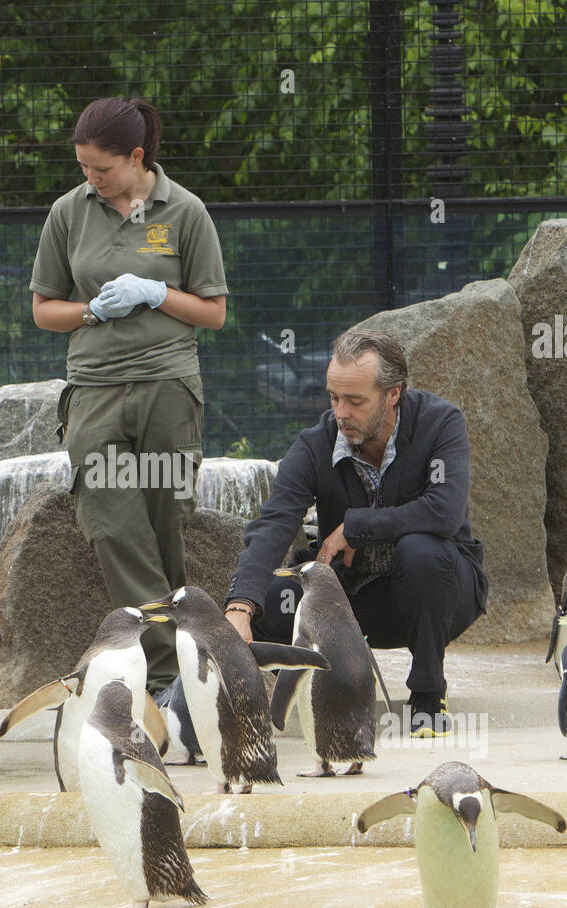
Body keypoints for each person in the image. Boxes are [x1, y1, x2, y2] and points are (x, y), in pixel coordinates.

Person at [30, 96, 228, 694]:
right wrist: (89, 310)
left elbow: (214, 313)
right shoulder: (68, 212)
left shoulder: (185, 211)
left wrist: (154, 292)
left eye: (102, 168)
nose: (90, 177)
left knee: (166, 522)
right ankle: (171, 670)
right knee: (113, 522)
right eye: (84, 166)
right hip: (94, 388)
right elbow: (43, 310)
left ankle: (174, 679)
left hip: (168, 385)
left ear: (136, 157)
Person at [223, 329, 488, 735]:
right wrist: (239, 607)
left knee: (421, 552)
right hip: (353, 602)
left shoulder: (440, 423)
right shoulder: (315, 444)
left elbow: (444, 512)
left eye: (355, 401)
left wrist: (356, 526)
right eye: (334, 398)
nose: (340, 412)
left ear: (393, 394)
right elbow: (274, 524)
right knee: (269, 604)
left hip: (438, 594)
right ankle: (291, 692)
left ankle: (428, 693)